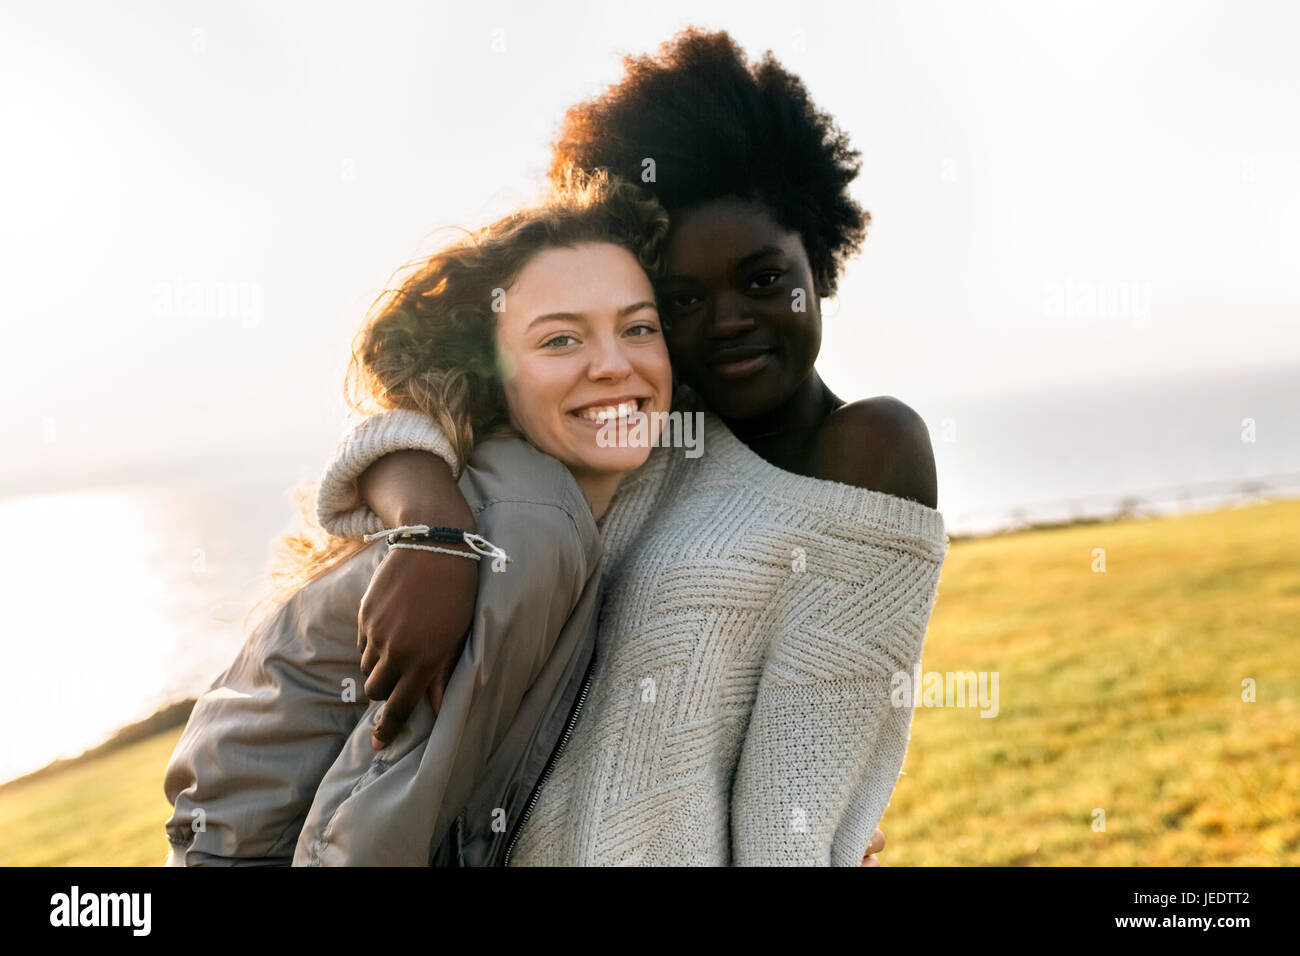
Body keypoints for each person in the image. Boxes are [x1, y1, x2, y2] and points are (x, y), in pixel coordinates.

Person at [312, 28, 948, 866]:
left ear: (819, 258)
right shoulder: (635, 419)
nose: (727, 321)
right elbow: (425, 409)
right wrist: (428, 527)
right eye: (683, 299)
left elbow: (797, 804)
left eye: (763, 279)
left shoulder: (869, 449)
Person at [163, 169, 673, 865]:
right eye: (560, 341)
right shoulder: (526, 529)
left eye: (638, 327)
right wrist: (434, 531)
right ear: (497, 375)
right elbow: (368, 835)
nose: (615, 365)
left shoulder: (510, 495)